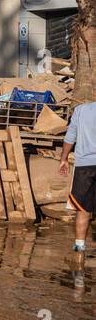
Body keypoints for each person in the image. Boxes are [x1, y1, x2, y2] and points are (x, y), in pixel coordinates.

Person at [59, 100, 96, 252]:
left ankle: (80, 247)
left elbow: (70, 136)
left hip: (84, 166)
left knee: (83, 209)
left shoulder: (81, 110)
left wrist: (63, 159)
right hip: (85, 165)